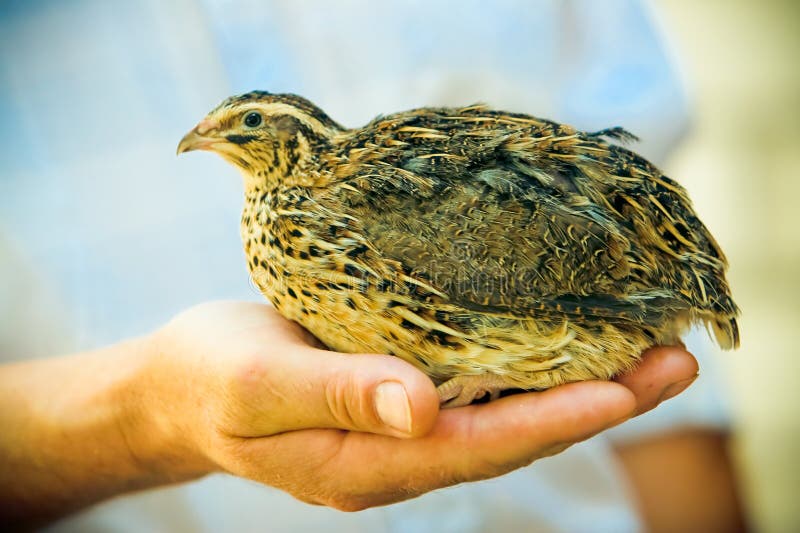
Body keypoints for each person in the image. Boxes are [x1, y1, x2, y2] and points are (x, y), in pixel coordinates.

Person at [0, 1, 745, 531]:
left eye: (246, 126)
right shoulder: (299, 220)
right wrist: (151, 418)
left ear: (288, 139)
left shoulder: (333, 215)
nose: (212, 138)